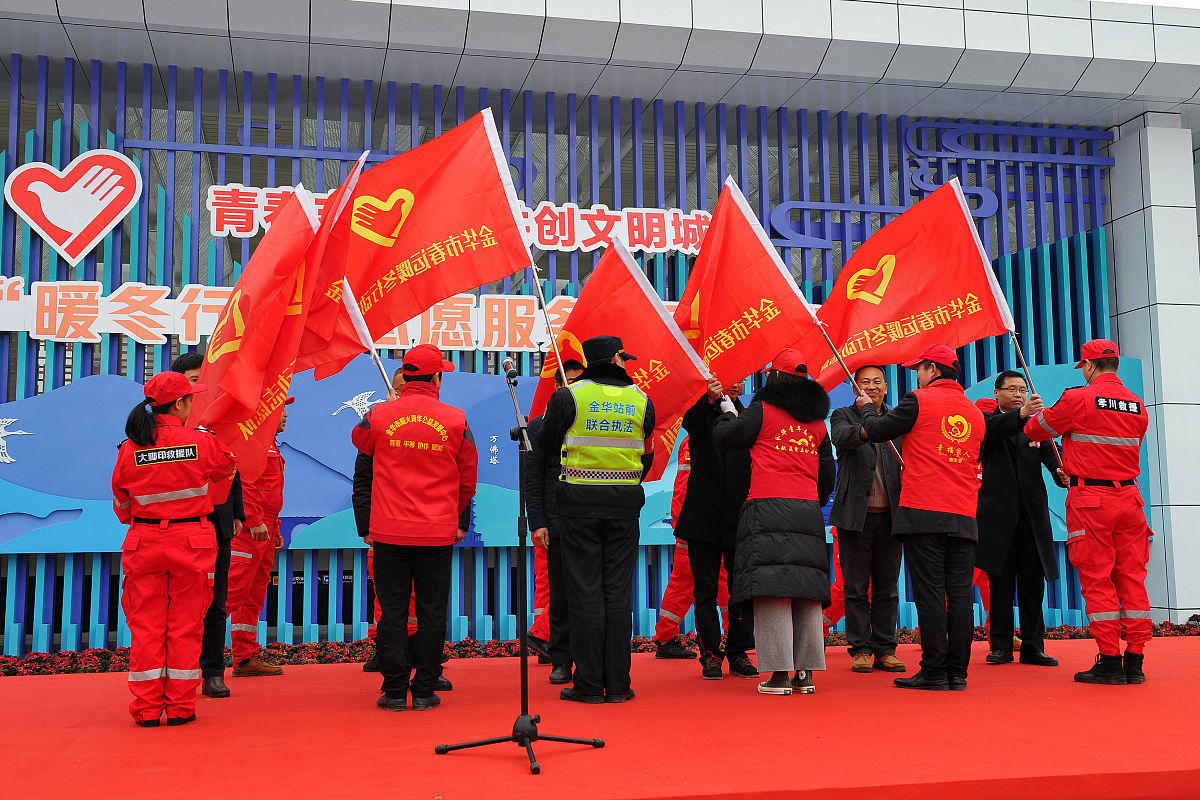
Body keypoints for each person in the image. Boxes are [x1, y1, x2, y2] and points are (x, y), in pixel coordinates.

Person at [352, 344, 477, 711]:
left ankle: (393, 691)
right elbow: (467, 478)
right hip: (436, 531)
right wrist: (453, 516)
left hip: (389, 531)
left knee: (391, 611)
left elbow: (360, 442)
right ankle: (424, 689)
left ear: (405, 376)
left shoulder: (378, 415)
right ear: (437, 377)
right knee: (431, 611)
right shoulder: (456, 419)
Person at [1024, 339, 1152, 685]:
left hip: (1091, 500)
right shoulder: (1137, 405)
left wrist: (1039, 412)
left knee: (1098, 581)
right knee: (1132, 578)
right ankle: (1135, 660)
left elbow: (1035, 430)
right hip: (1130, 500)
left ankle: (1110, 660)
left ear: (1089, 366)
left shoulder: (1078, 398)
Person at [857, 344, 985, 691]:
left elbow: (880, 430)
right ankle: (957, 673)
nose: (918, 374)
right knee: (959, 596)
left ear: (931, 369)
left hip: (925, 511)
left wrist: (867, 409)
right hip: (963, 514)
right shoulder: (974, 412)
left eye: (920, 368)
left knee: (930, 594)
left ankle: (933, 670)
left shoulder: (918, 399)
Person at [535, 335, 655, 704]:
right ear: (616, 358)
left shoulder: (568, 397)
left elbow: (544, 453)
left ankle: (589, 685)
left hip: (577, 508)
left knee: (585, 594)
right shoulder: (642, 401)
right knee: (617, 595)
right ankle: (618, 685)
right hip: (624, 507)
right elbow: (647, 454)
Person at [112, 372, 236, 726]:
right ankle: (181, 707)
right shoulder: (201, 442)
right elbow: (226, 470)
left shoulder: (130, 447)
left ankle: (147, 709)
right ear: (180, 403)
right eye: (190, 399)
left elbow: (122, 504)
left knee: (147, 628)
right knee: (185, 626)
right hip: (191, 543)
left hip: (144, 542)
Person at [713, 349, 835, 696]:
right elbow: (827, 474)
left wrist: (726, 413)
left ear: (775, 378)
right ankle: (805, 675)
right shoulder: (817, 423)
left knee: (772, 588)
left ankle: (780, 675)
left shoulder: (763, 410)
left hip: (766, 506)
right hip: (807, 509)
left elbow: (727, 439)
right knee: (807, 589)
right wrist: (812, 498)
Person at [359, 368, 453, 693]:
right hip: (387, 531)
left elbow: (461, 477)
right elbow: (363, 481)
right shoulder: (380, 424)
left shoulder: (444, 424)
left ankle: (425, 673)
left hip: (428, 531)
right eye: (397, 390)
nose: (402, 395)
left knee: (426, 609)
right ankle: (396, 675)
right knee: (393, 609)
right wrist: (365, 527)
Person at [169, 352, 246, 700]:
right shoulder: (160, 429)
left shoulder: (218, 422)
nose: (202, 387)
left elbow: (234, 467)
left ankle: (213, 671)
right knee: (179, 604)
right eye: (194, 380)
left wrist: (237, 511)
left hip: (216, 523)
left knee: (216, 602)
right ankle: (175, 673)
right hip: (176, 527)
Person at [977, 370, 1064, 667]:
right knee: (999, 586)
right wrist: (1021, 415)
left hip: (1032, 516)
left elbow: (1054, 455)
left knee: (1032, 584)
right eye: (1011, 389)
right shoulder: (987, 421)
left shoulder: (1037, 426)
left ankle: (1033, 646)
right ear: (997, 393)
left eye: (1022, 389)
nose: (1018, 394)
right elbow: (992, 433)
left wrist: (1060, 472)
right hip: (997, 516)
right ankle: (1000, 646)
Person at [675, 377, 755, 680]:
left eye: (741, 377)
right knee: (705, 590)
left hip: (740, 518)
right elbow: (689, 421)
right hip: (703, 517)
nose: (735, 384)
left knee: (741, 592)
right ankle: (710, 653)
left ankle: (738, 653)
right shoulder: (702, 413)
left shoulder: (748, 415)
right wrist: (708, 399)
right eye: (730, 377)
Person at [828, 365, 905, 674]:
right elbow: (843, 438)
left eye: (877, 382)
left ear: (886, 387)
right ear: (855, 387)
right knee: (856, 588)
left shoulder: (898, 419)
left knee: (887, 588)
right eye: (865, 382)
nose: (872, 386)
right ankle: (860, 648)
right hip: (854, 518)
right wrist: (868, 418)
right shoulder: (842, 415)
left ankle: (886, 649)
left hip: (892, 516)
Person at [525, 349, 587, 684]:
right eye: (567, 382)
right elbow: (533, 479)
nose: (573, 387)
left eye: (579, 381)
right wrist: (538, 522)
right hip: (557, 523)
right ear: (556, 387)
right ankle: (561, 660)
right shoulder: (540, 427)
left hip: (589, 520)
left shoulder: (593, 423)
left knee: (587, 596)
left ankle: (589, 660)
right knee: (560, 597)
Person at [226, 397, 292, 678]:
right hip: (247, 533)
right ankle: (198, 659)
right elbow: (243, 483)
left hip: (265, 531)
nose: (285, 415)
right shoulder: (249, 441)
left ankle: (244, 657)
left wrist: (274, 529)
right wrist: (253, 521)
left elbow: (270, 495)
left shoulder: (271, 444)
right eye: (281, 410)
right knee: (229, 595)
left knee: (253, 595)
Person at [649, 436, 730, 660]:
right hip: (702, 524)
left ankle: (666, 637)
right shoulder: (712, 437)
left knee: (687, 580)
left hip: (693, 522)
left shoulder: (693, 438)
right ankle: (734, 637)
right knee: (717, 578)